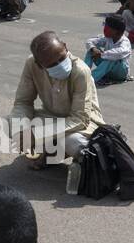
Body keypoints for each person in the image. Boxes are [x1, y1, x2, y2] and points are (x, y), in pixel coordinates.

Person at [10, 31, 104, 169]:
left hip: (83, 123)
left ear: (65, 47)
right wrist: (22, 130)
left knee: (74, 143)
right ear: (39, 64)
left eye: (61, 58)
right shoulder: (31, 64)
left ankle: (59, 154)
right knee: (11, 123)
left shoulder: (80, 71)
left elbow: (80, 119)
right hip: (52, 117)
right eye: (52, 64)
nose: (60, 65)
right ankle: (51, 152)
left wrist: (37, 134)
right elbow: (23, 102)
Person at [84, 17, 132, 85]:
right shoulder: (108, 38)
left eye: (108, 27)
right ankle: (84, 74)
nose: (105, 29)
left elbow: (119, 53)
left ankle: (90, 80)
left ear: (117, 31)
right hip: (107, 71)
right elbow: (89, 41)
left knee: (111, 58)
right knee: (91, 50)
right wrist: (93, 49)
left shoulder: (124, 42)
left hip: (120, 73)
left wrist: (101, 54)